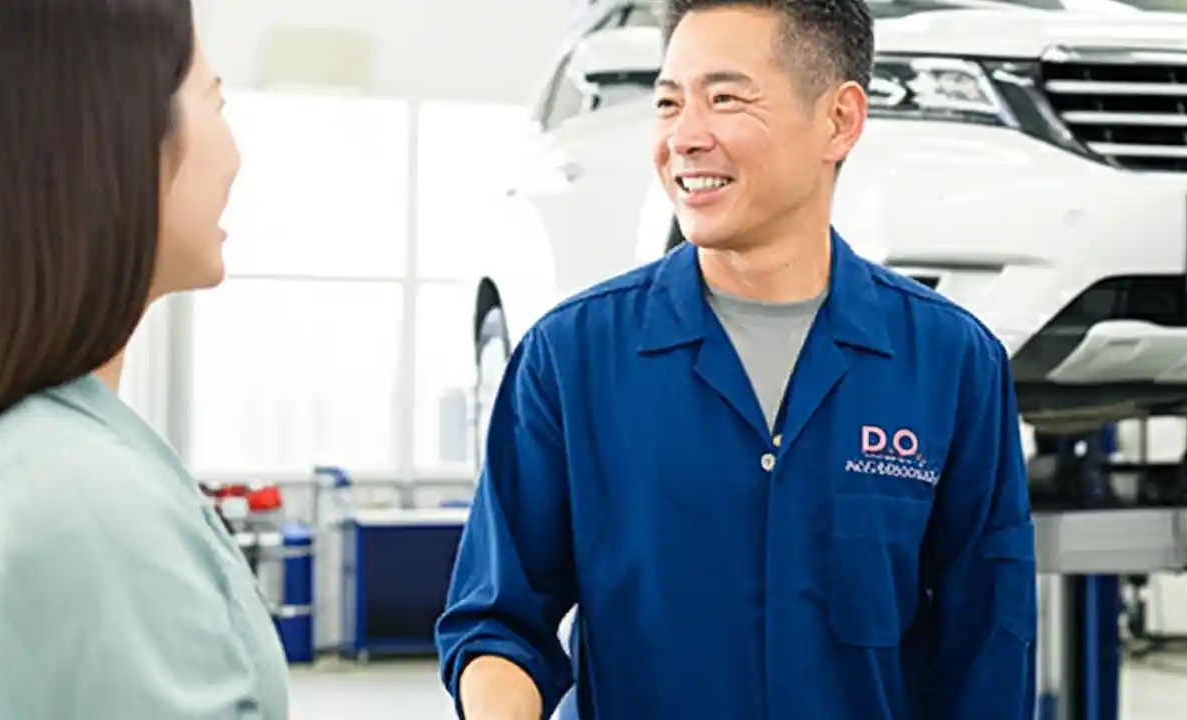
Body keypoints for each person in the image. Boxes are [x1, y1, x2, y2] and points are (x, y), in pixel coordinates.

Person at [435, 1, 1037, 718]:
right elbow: (497, 622)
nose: (684, 137)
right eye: (668, 102)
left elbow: (988, 652)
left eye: (725, 99)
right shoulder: (570, 359)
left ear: (839, 120)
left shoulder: (949, 363)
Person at [0, 1, 288, 718]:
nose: (238, 152)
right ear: (113, 136)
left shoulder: (21, 455)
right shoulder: (70, 497)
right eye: (214, 102)